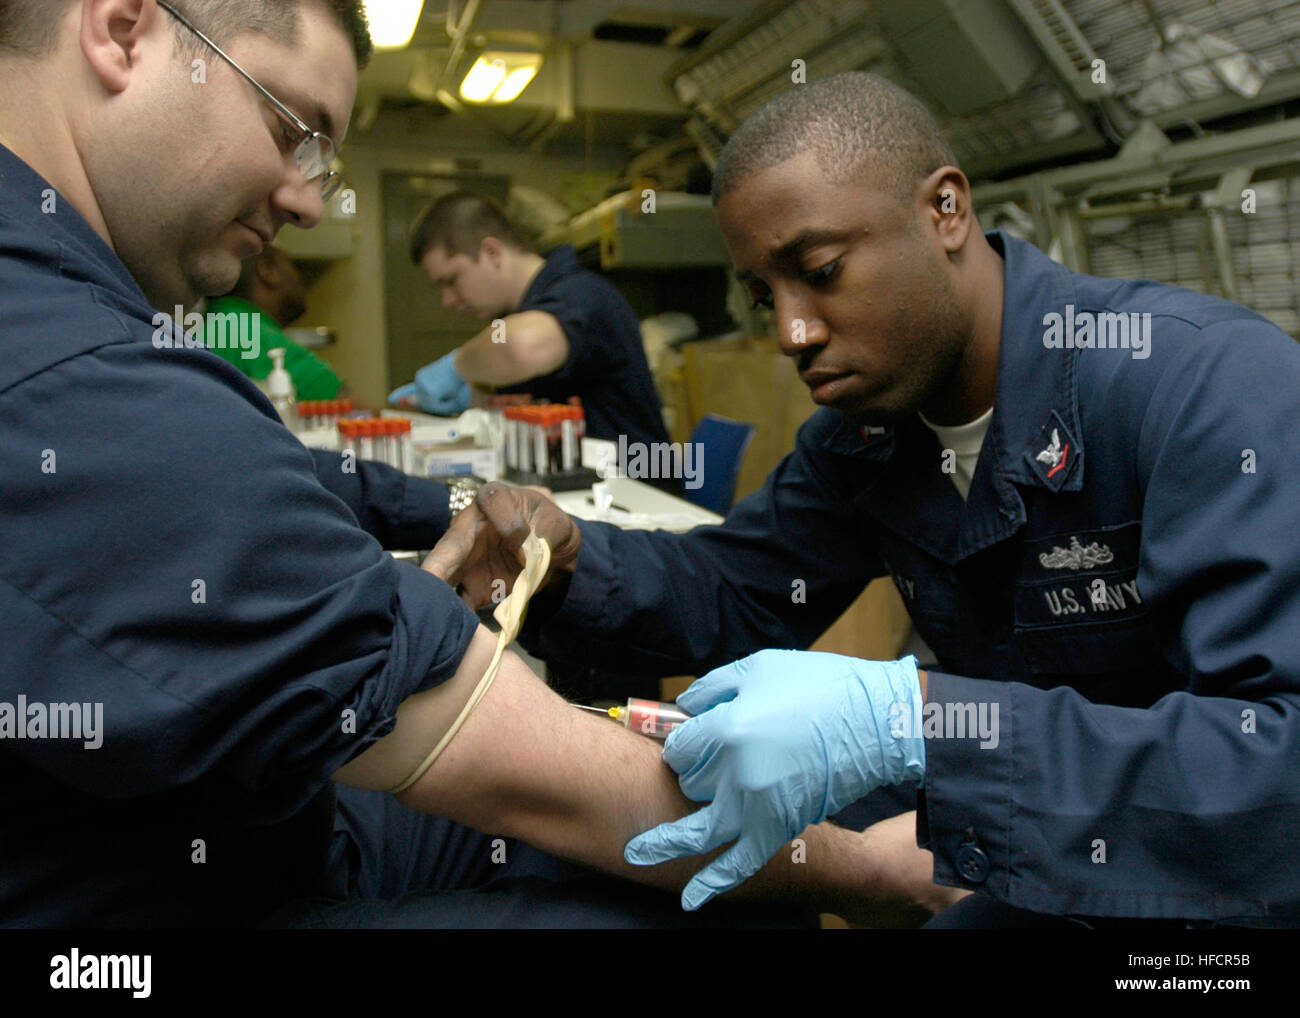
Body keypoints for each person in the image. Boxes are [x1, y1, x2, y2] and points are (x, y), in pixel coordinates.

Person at [0, 1, 956, 928]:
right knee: (726, 886)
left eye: (821, 271)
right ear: (120, 30)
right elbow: (721, 604)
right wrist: (863, 866)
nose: (305, 196)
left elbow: (516, 364)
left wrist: (938, 720)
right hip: (175, 886)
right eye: (294, 128)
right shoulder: (80, 370)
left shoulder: (576, 297)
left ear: (946, 210)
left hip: (211, 845)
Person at [428, 71, 1300, 927]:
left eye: (822, 270)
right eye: (764, 296)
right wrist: (567, 561)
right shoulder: (871, 438)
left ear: (945, 210)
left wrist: (921, 724)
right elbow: (733, 591)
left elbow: (1275, 771)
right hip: (1029, 819)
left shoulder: (1200, 389)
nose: (790, 333)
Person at [393, 192, 673, 458]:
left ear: (492, 252)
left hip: (638, 492)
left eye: (451, 280)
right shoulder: (521, 313)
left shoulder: (581, 294)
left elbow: (520, 347)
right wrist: (475, 397)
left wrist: (458, 366)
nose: (447, 300)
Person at [201, 243, 347, 399]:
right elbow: (353, 410)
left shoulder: (200, 331)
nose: (299, 277)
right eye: (290, 264)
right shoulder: (253, 334)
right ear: (268, 272)